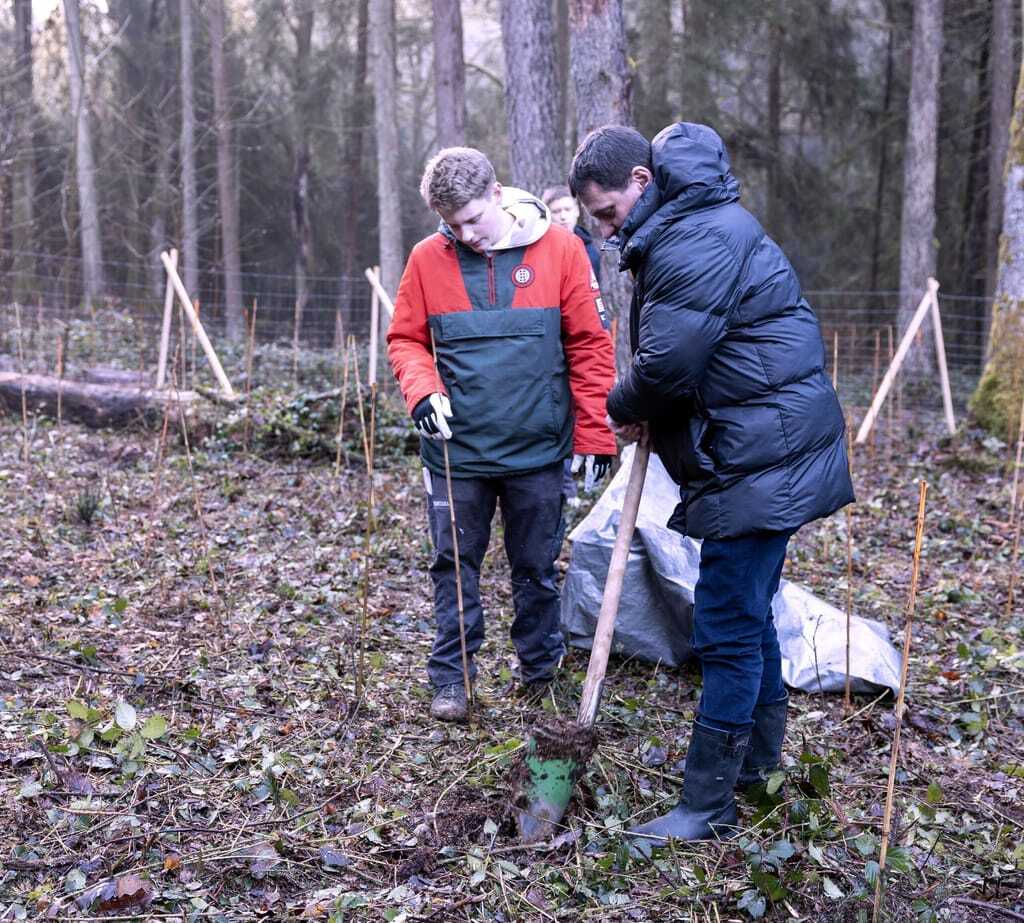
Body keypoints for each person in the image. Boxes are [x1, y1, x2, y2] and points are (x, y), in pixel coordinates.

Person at [569, 122, 854, 845]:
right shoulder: (702, 223)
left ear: (642, 181)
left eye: (607, 212)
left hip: (759, 459)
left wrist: (624, 406)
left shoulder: (693, 237)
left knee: (725, 625)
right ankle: (758, 774)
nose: (605, 230)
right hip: (764, 449)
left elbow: (668, 362)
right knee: (748, 615)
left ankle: (707, 804)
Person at [388, 147, 617, 722]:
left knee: (536, 567)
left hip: (538, 449)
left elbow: (589, 345)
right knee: (453, 565)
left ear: (496, 194)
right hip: (455, 451)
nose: (466, 234)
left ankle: (539, 674)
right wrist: (422, 392)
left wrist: (595, 436)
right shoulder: (426, 259)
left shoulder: (560, 250)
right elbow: (406, 340)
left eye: (473, 219)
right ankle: (453, 681)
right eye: (451, 224)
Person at [542, 184, 602, 285]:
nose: (563, 216)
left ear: (577, 211)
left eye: (567, 209)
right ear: (547, 215)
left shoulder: (589, 250)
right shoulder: (539, 248)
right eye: (556, 212)